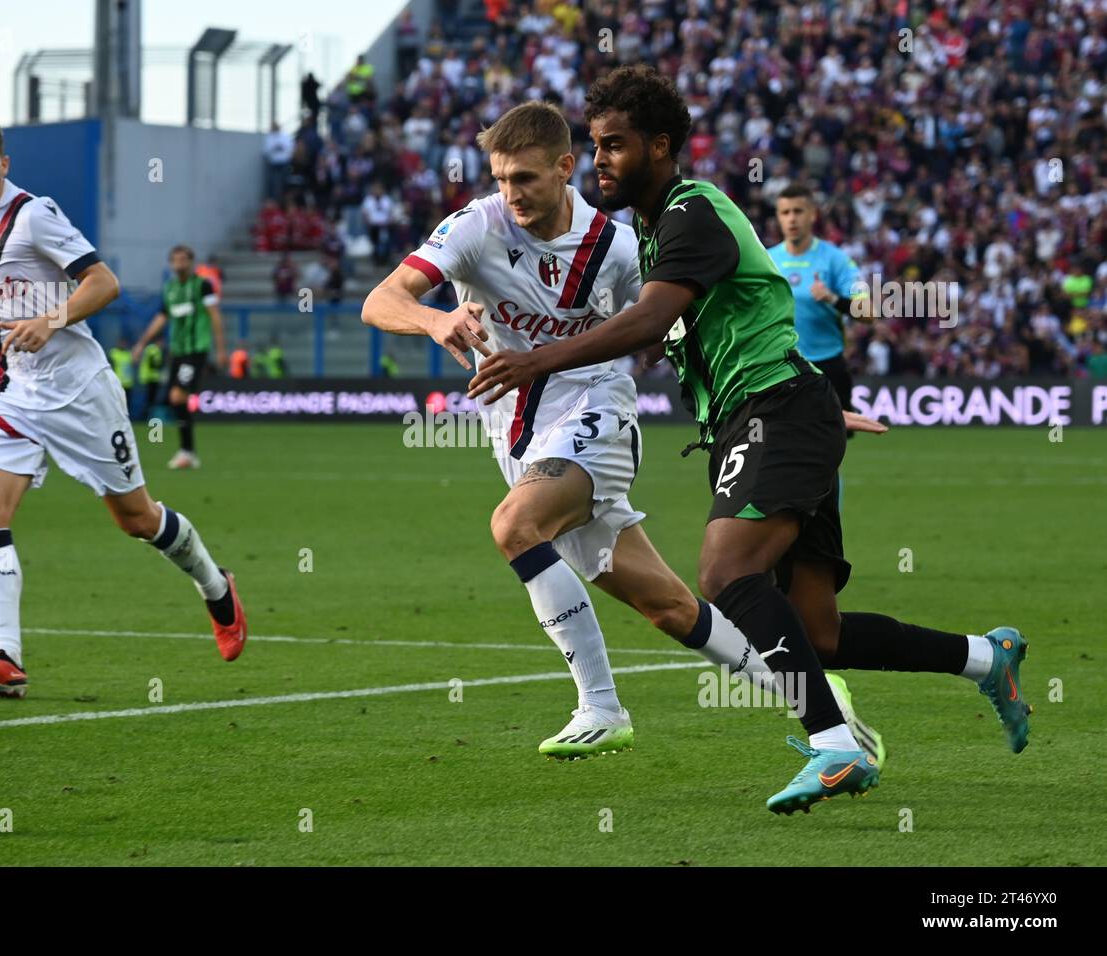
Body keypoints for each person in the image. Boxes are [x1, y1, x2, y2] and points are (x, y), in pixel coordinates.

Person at [467, 68, 1031, 812]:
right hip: (781, 413)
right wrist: (826, 413)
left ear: (659, 147)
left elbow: (641, 325)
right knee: (817, 636)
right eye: (595, 144)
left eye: (614, 145)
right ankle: (987, 658)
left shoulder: (691, 212)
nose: (598, 159)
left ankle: (834, 747)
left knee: (725, 573)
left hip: (774, 411)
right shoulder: (651, 228)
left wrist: (533, 360)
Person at [363, 101, 881, 760]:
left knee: (514, 527)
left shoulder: (619, 247)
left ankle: (600, 706)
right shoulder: (476, 226)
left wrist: (801, 394)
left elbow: (702, 328)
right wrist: (434, 321)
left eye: (524, 178)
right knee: (669, 606)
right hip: (519, 433)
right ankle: (820, 704)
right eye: (499, 179)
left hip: (597, 414)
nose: (510, 194)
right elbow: (381, 300)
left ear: (565, 167)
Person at [0, 118, 247, 699]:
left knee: (137, 520)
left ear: (5, 164)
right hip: (10, 394)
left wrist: (51, 320)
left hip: (80, 390)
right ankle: (8, 660)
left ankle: (215, 586)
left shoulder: (33, 217)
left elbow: (104, 282)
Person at [767, 183, 867, 415]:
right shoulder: (766, 260)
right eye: (785, 212)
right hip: (781, 366)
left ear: (812, 214)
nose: (792, 219)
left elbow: (868, 313)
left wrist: (833, 298)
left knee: (829, 447)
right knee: (785, 444)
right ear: (778, 218)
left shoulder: (837, 260)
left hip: (827, 367)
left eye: (798, 211)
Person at [130, 246, 227, 470]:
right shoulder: (170, 288)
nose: (179, 263)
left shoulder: (203, 285)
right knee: (176, 400)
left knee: (176, 397)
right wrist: (141, 344)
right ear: (171, 264)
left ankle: (187, 451)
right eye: (175, 260)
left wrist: (221, 349)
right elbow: (162, 318)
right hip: (177, 351)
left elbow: (215, 315)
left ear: (191, 262)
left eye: (183, 259)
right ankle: (188, 452)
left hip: (195, 351)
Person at [138, 337, 164, 418]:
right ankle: (146, 416)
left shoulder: (153, 349)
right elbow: (153, 364)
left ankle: (148, 416)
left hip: (151, 377)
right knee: (150, 399)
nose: (163, 344)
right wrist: (160, 365)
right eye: (162, 341)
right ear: (158, 341)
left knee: (150, 399)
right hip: (150, 378)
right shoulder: (153, 350)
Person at [108, 338, 135, 409]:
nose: (123, 345)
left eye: (124, 343)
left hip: (128, 383)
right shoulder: (113, 353)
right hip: (117, 383)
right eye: (122, 343)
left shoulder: (128, 354)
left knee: (127, 403)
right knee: (117, 402)